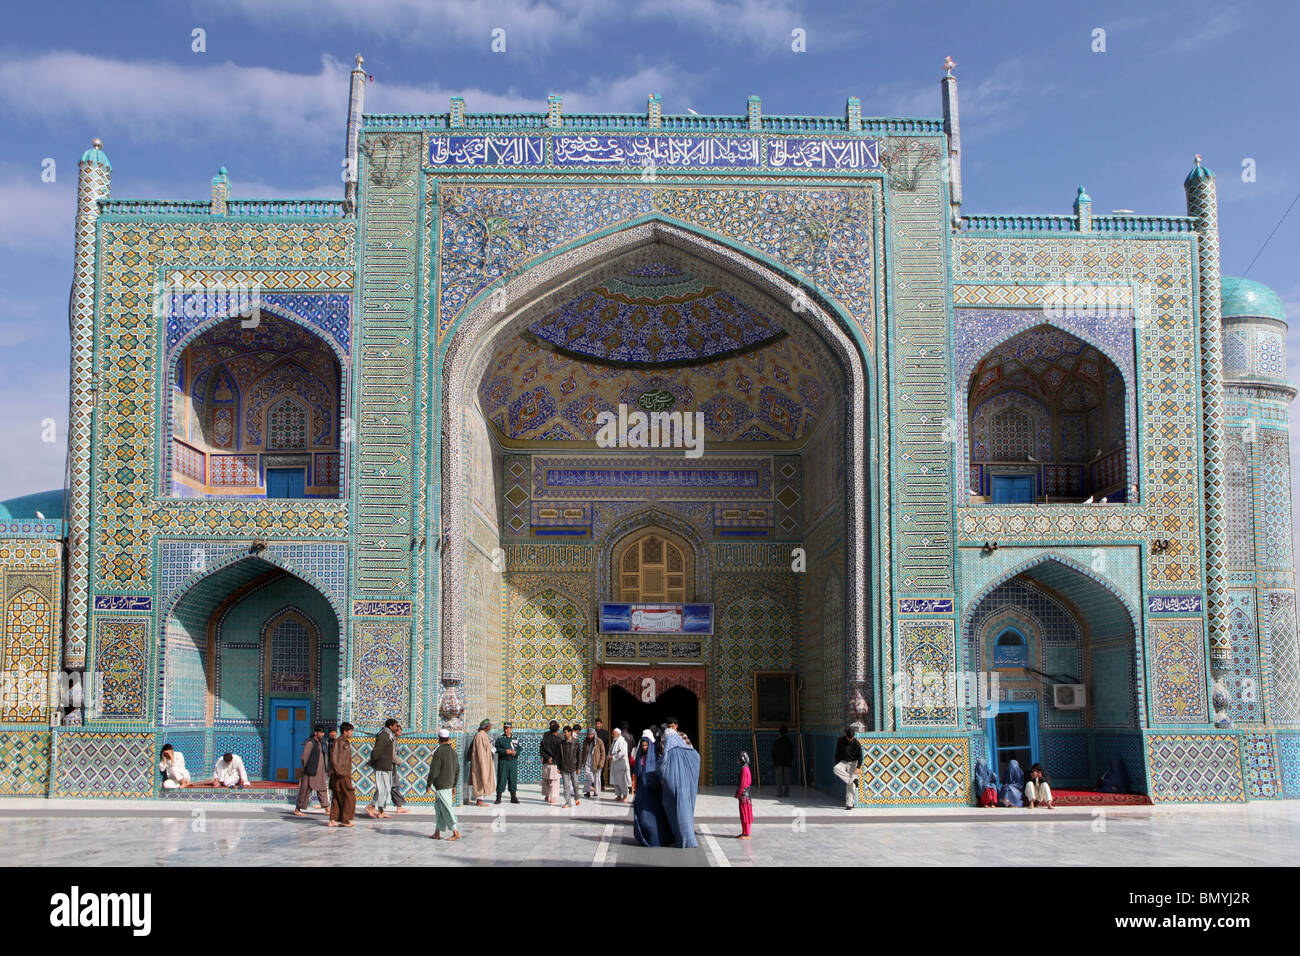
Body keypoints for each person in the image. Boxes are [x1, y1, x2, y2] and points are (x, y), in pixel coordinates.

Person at [658, 719, 700, 848]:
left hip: (672, 783)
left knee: (673, 809)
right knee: (685, 808)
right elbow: (696, 757)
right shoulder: (686, 748)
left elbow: (662, 766)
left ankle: (679, 836)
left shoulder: (668, 746)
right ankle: (687, 835)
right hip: (687, 784)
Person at [632, 730, 671, 847]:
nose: (644, 747)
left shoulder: (655, 758)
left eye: (646, 745)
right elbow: (636, 772)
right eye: (642, 745)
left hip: (653, 792)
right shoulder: (639, 757)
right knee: (642, 817)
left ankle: (654, 837)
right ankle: (644, 836)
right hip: (642, 791)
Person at [426, 728, 461, 841]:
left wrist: (429, 784)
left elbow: (434, 770)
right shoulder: (453, 752)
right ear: (448, 739)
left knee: (446, 808)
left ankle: (455, 832)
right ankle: (437, 832)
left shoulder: (438, 752)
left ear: (439, 739)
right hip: (449, 784)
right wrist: (454, 785)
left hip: (442, 785)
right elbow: (457, 770)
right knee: (439, 809)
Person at [294, 724, 331, 815]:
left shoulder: (321, 743)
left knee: (322, 789)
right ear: (315, 733)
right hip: (310, 772)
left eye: (323, 732)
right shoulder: (310, 743)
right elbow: (304, 758)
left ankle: (327, 808)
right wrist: (308, 768)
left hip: (320, 772)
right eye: (321, 732)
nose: (322, 734)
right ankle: (297, 809)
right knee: (305, 791)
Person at [367, 718, 398, 818]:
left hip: (386, 765)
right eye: (395, 726)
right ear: (390, 726)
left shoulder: (388, 735)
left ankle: (380, 811)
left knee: (385, 789)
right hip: (381, 765)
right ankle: (371, 806)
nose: (396, 728)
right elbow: (377, 749)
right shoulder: (384, 735)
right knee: (382, 789)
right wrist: (374, 760)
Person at [328, 722, 356, 827]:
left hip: (342, 773)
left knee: (337, 795)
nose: (352, 733)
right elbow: (334, 757)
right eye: (351, 731)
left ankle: (333, 819)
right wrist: (340, 772)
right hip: (341, 774)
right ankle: (345, 819)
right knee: (349, 796)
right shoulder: (339, 742)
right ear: (345, 732)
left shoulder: (345, 742)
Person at [832, 728, 863, 810]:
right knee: (836, 769)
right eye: (849, 737)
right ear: (846, 736)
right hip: (844, 762)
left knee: (851, 786)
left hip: (853, 763)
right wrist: (838, 762)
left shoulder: (856, 743)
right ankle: (852, 779)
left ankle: (849, 804)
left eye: (851, 737)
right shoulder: (841, 741)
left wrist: (858, 767)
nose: (850, 739)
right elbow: (837, 752)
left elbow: (860, 756)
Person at [470, 719, 496, 806]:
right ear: (486, 726)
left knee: (483, 778)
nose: (491, 727)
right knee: (480, 779)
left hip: (485, 762)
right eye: (490, 725)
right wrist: (482, 765)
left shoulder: (484, 735)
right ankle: (479, 800)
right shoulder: (480, 736)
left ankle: (481, 799)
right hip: (482, 763)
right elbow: (480, 753)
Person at [495, 722, 521, 804]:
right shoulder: (500, 739)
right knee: (501, 779)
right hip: (503, 761)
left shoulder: (515, 739)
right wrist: (505, 751)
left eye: (508, 728)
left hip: (513, 762)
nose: (506, 730)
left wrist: (515, 752)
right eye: (505, 728)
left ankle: (513, 797)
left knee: (512, 779)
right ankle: (498, 797)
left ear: (511, 729)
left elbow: (519, 748)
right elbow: (496, 749)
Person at [389, 721, 410, 813]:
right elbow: (392, 755)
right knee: (393, 785)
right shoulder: (392, 740)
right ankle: (372, 805)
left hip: (392, 767)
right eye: (399, 731)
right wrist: (399, 761)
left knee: (394, 786)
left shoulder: (395, 740)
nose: (400, 733)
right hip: (390, 767)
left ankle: (399, 806)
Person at [558, 725, 582, 808]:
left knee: (575, 784)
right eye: (563, 732)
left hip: (574, 767)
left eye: (565, 732)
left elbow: (579, 755)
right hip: (564, 767)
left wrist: (579, 767)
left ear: (570, 732)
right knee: (566, 786)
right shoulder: (561, 743)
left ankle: (577, 798)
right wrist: (559, 767)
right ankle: (568, 802)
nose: (564, 734)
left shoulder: (576, 742)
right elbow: (559, 756)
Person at [539, 720, 562, 804]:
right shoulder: (559, 739)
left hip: (546, 762)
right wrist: (552, 758)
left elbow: (541, 748)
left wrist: (546, 757)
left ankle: (547, 796)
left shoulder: (545, 737)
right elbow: (559, 752)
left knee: (546, 780)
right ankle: (552, 797)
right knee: (554, 781)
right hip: (554, 763)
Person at [581, 725, 606, 799]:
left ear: (594, 734)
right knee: (588, 776)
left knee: (597, 777)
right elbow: (583, 752)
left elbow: (603, 753)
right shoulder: (586, 741)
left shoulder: (599, 741)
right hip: (587, 761)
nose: (590, 736)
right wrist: (582, 761)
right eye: (589, 734)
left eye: (591, 734)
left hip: (596, 762)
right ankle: (587, 791)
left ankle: (596, 792)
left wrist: (601, 763)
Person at [608, 727, 631, 801]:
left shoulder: (623, 742)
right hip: (615, 765)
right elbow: (611, 751)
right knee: (616, 781)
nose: (612, 735)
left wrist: (613, 757)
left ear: (618, 734)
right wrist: (609, 755)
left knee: (622, 781)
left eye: (613, 734)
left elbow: (622, 753)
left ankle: (625, 796)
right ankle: (618, 795)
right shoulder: (614, 741)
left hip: (621, 765)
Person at [771, 726, 794, 797]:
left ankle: (780, 793)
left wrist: (775, 760)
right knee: (787, 778)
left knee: (779, 778)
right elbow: (792, 753)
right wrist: (789, 760)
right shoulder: (789, 742)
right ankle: (786, 793)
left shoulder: (776, 742)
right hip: (787, 762)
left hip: (778, 763)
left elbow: (773, 753)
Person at [736, 751, 753, 840]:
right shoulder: (746, 768)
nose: (737, 760)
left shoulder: (744, 769)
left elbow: (743, 784)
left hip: (744, 796)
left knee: (745, 814)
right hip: (746, 795)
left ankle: (747, 834)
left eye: (738, 759)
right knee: (744, 815)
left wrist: (738, 793)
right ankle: (744, 832)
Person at [593, 718, 611, 790]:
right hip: (594, 754)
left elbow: (605, 743)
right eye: (596, 724)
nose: (597, 725)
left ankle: (602, 785)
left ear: (601, 724)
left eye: (599, 724)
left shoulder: (605, 733)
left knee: (601, 769)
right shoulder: (593, 732)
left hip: (602, 754)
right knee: (594, 769)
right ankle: (596, 785)